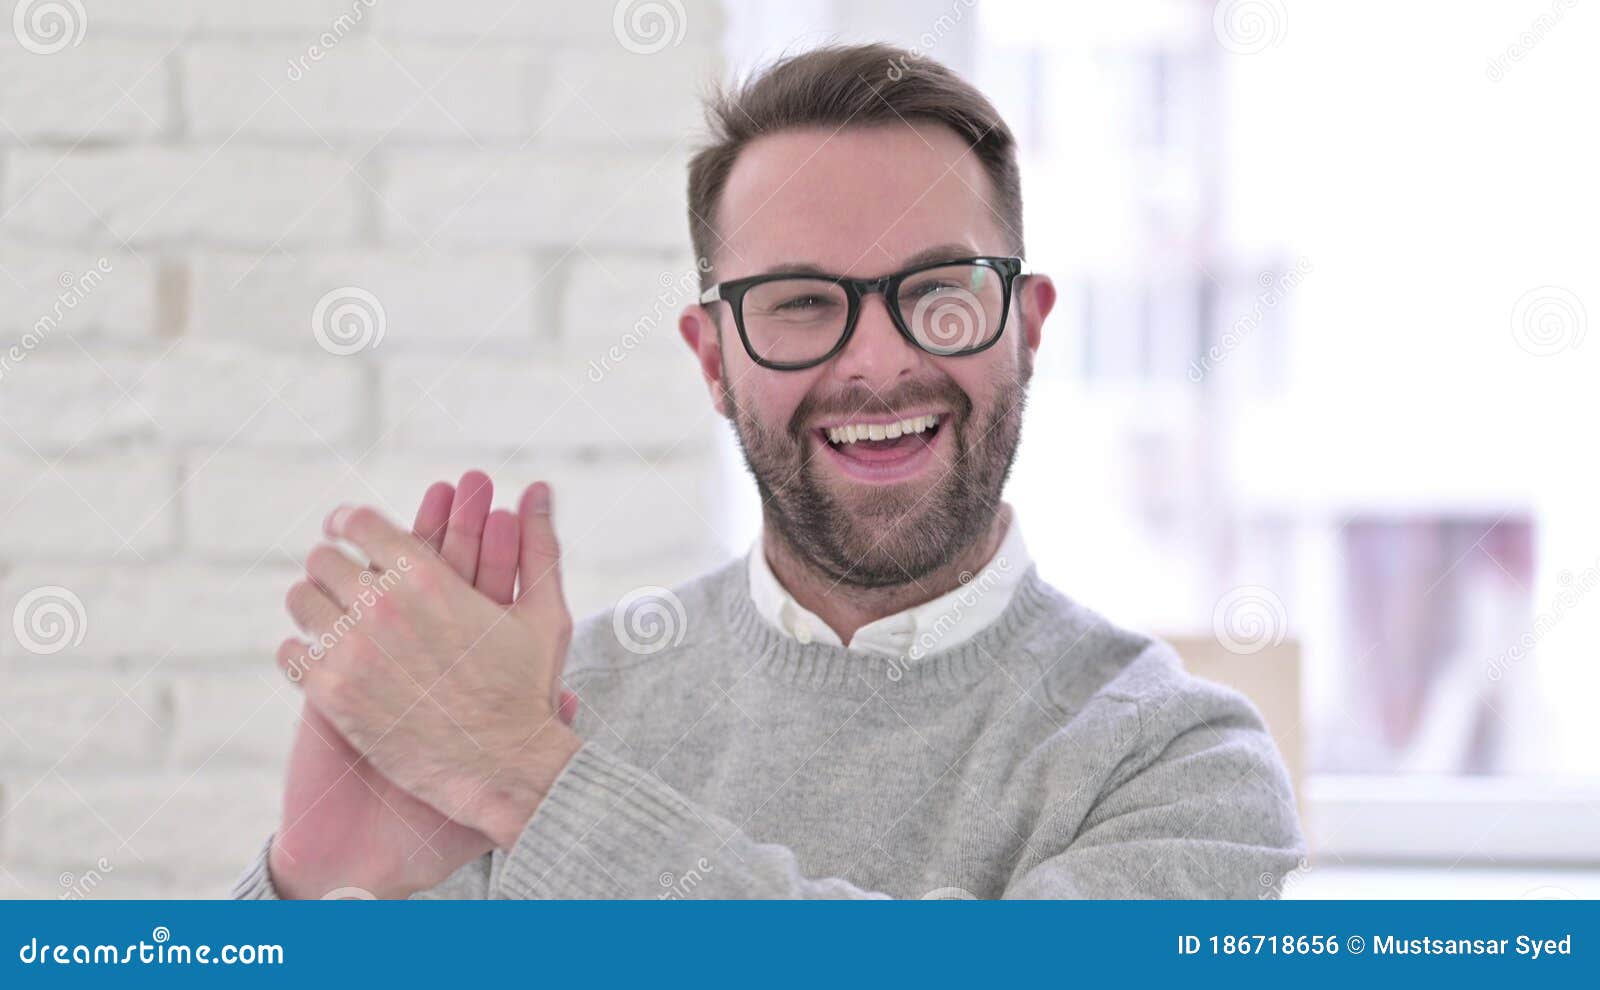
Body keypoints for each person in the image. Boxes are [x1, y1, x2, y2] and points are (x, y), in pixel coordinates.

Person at [233, 43, 1304, 900]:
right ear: (712, 361)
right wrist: (314, 892)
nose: (878, 363)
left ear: (1023, 328)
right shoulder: (557, 707)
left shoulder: (1176, 764)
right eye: (800, 301)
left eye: (938, 290)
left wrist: (530, 786)